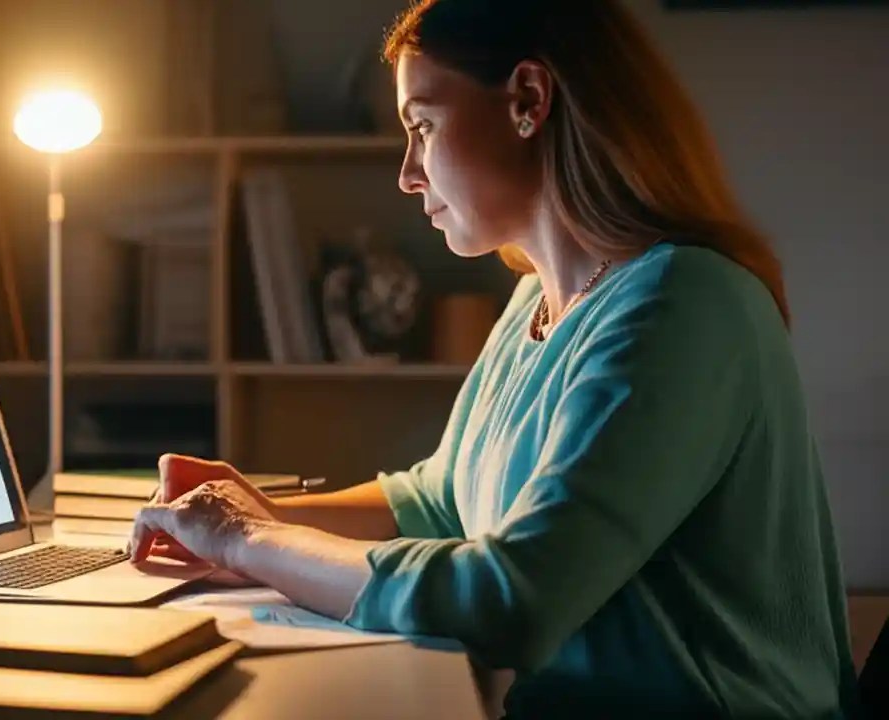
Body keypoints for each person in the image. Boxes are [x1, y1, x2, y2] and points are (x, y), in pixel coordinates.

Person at [129, 1, 861, 716]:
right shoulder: (532, 304)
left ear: (528, 99)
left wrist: (249, 537)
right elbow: (441, 500)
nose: (408, 174)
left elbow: (510, 600)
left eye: (423, 125)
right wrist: (249, 514)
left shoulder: (684, 303)